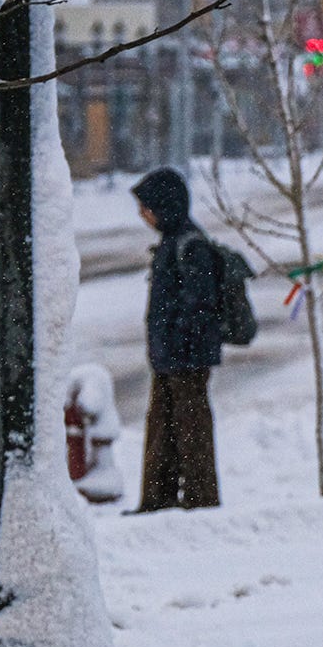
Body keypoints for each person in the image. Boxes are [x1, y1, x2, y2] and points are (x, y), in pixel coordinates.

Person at [132, 166, 223, 512]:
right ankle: (159, 500)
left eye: (147, 207)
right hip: (170, 357)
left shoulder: (189, 244)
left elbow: (198, 306)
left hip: (187, 358)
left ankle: (201, 501)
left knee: (191, 430)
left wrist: (180, 343)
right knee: (162, 428)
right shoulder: (172, 242)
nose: (143, 215)